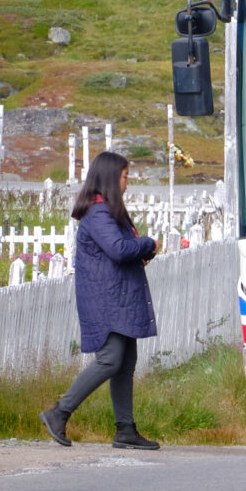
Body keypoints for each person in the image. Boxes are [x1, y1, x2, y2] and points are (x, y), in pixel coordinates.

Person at [39, 150, 162, 450]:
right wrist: (149, 243)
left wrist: (142, 251)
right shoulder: (98, 213)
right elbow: (120, 249)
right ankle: (59, 412)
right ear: (110, 178)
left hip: (118, 296)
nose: (128, 182)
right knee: (110, 360)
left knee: (125, 363)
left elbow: (119, 250)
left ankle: (125, 430)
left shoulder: (108, 211)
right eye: (124, 176)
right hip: (107, 299)